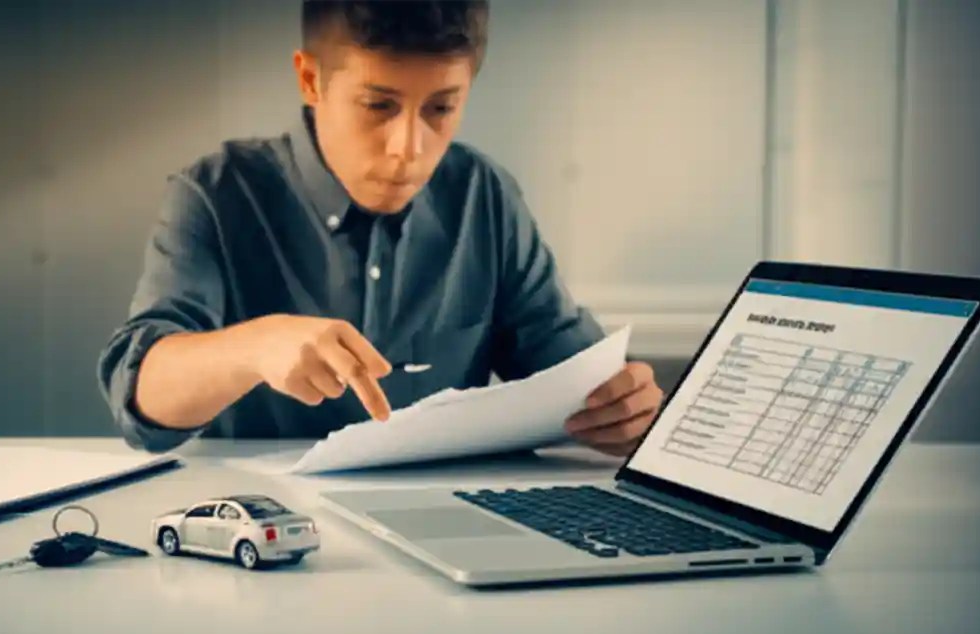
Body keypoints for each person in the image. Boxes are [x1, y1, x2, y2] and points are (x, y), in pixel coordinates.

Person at [98, 0, 663, 455]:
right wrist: (255, 345)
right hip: (262, 540)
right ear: (310, 80)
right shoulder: (215, 194)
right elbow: (141, 401)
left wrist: (625, 414)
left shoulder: (484, 195)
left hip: (448, 540)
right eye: (377, 105)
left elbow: (575, 379)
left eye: (441, 109)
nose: (409, 149)